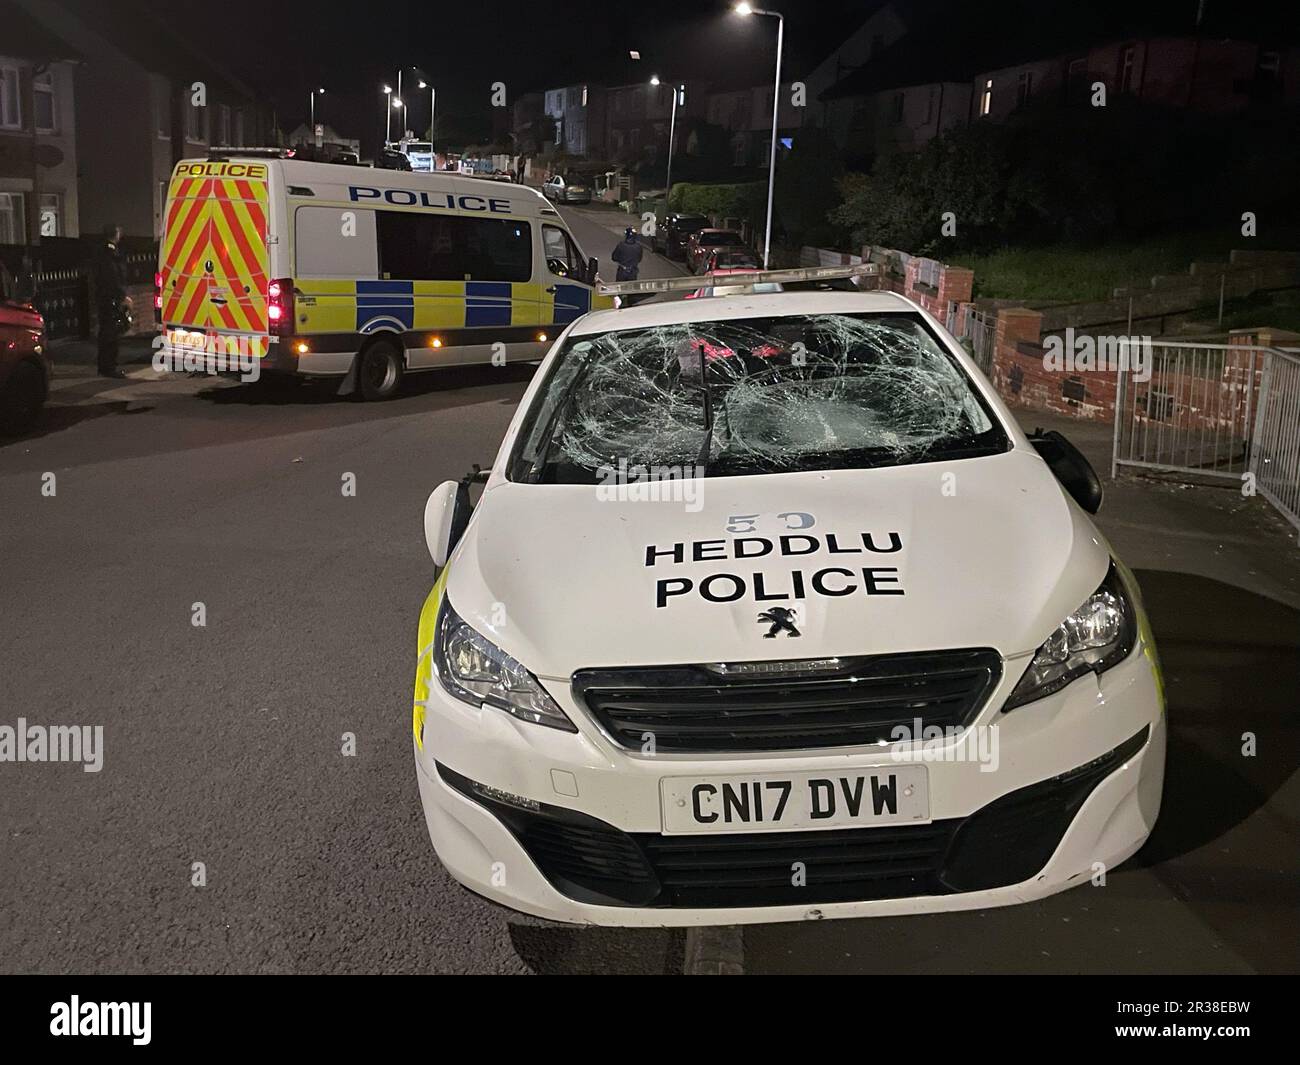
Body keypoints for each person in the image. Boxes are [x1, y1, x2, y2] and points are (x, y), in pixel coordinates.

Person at [91, 223, 129, 378]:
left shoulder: (103, 251)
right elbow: (113, 278)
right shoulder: (110, 254)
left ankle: (104, 366)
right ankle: (109, 367)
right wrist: (122, 297)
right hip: (110, 300)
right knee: (111, 334)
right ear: (116, 234)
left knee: (107, 333)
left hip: (105, 299)